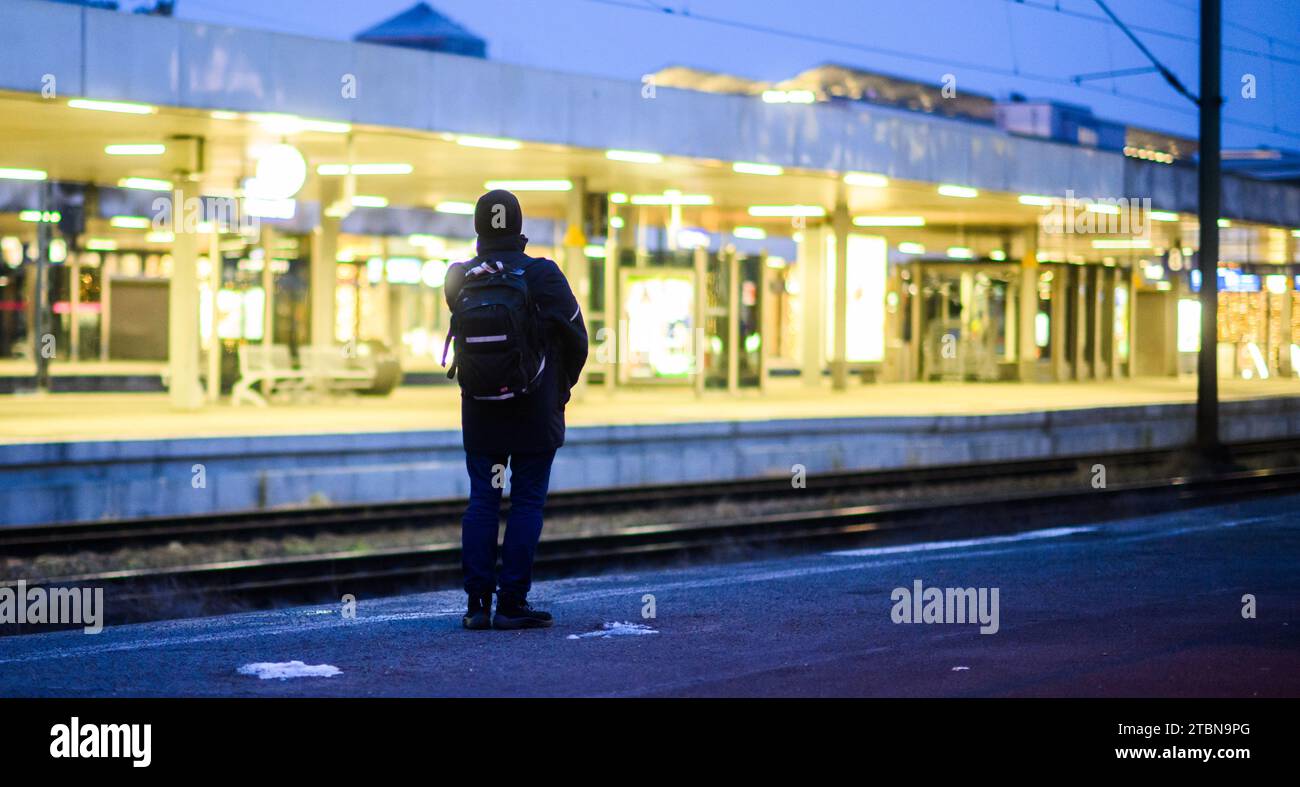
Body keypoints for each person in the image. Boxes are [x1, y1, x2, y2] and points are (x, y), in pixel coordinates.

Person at [443, 189, 588, 630]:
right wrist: (560, 389)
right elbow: (577, 339)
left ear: (478, 228)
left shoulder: (459, 277)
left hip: (482, 411)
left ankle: (476, 606)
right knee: (526, 502)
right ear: (520, 227)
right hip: (532, 411)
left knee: (483, 502)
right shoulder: (543, 274)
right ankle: (512, 603)